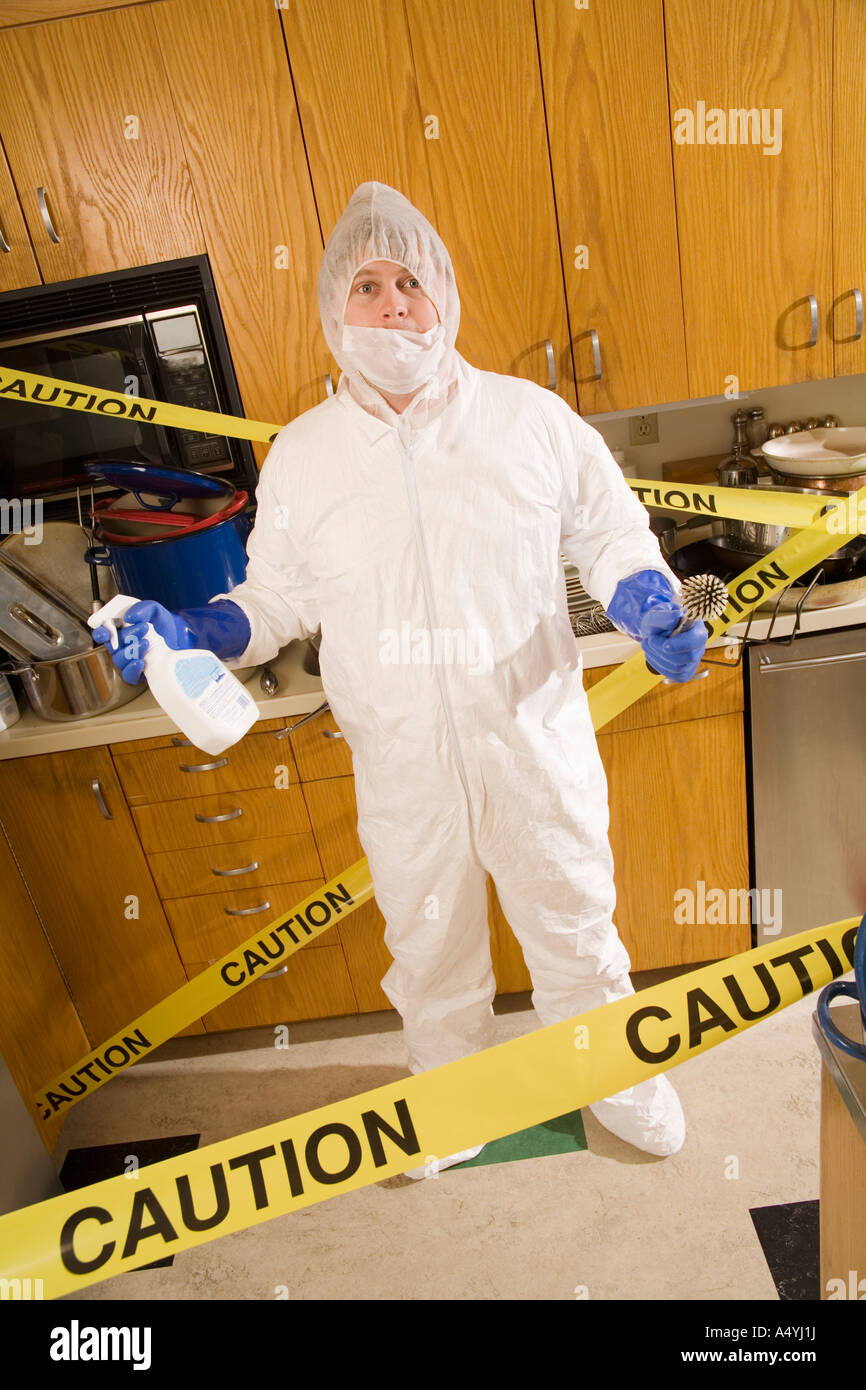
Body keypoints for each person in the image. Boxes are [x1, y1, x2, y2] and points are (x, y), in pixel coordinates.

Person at [95, 182, 706, 1178]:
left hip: (530, 740)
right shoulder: (304, 457)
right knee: (428, 948)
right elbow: (277, 597)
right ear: (335, 306)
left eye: (408, 283)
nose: (390, 305)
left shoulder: (529, 419)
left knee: (572, 924)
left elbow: (607, 531)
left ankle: (615, 1080)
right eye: (367, 285)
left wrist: (649, 605)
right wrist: (193, 628)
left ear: (443, 298)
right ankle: (450, 1098)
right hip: (401, 762)